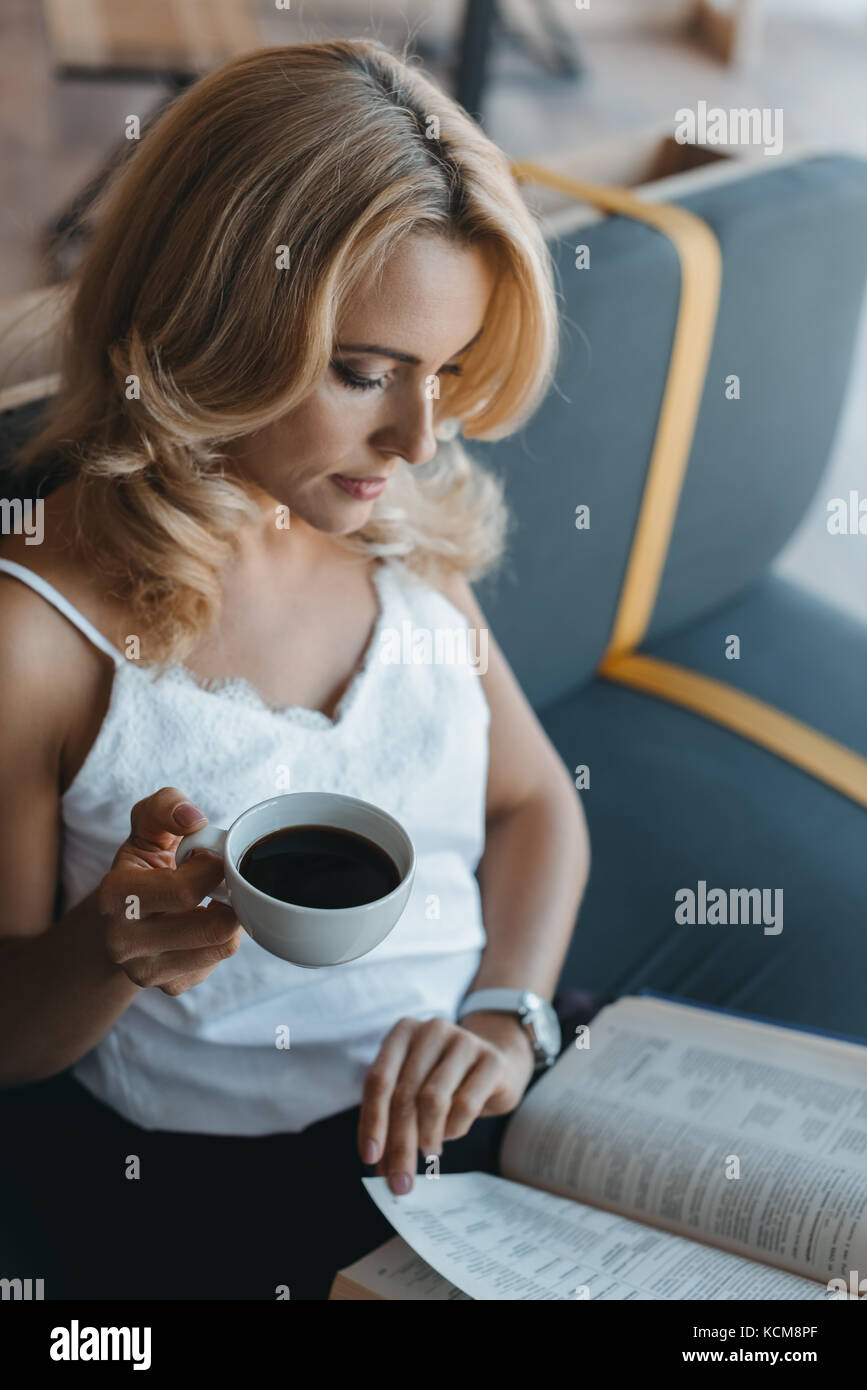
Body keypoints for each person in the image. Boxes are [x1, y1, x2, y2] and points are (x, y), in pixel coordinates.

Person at [0, 38, 590, 1299]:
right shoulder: (41, 638)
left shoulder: (402, 533)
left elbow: (538, 805)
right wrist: (114, 946)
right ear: (210, 316)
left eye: (446, 375)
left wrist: (506, 1018)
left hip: (478, 1096)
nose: (420, 436)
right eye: (365, 374)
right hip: (221, 1187)